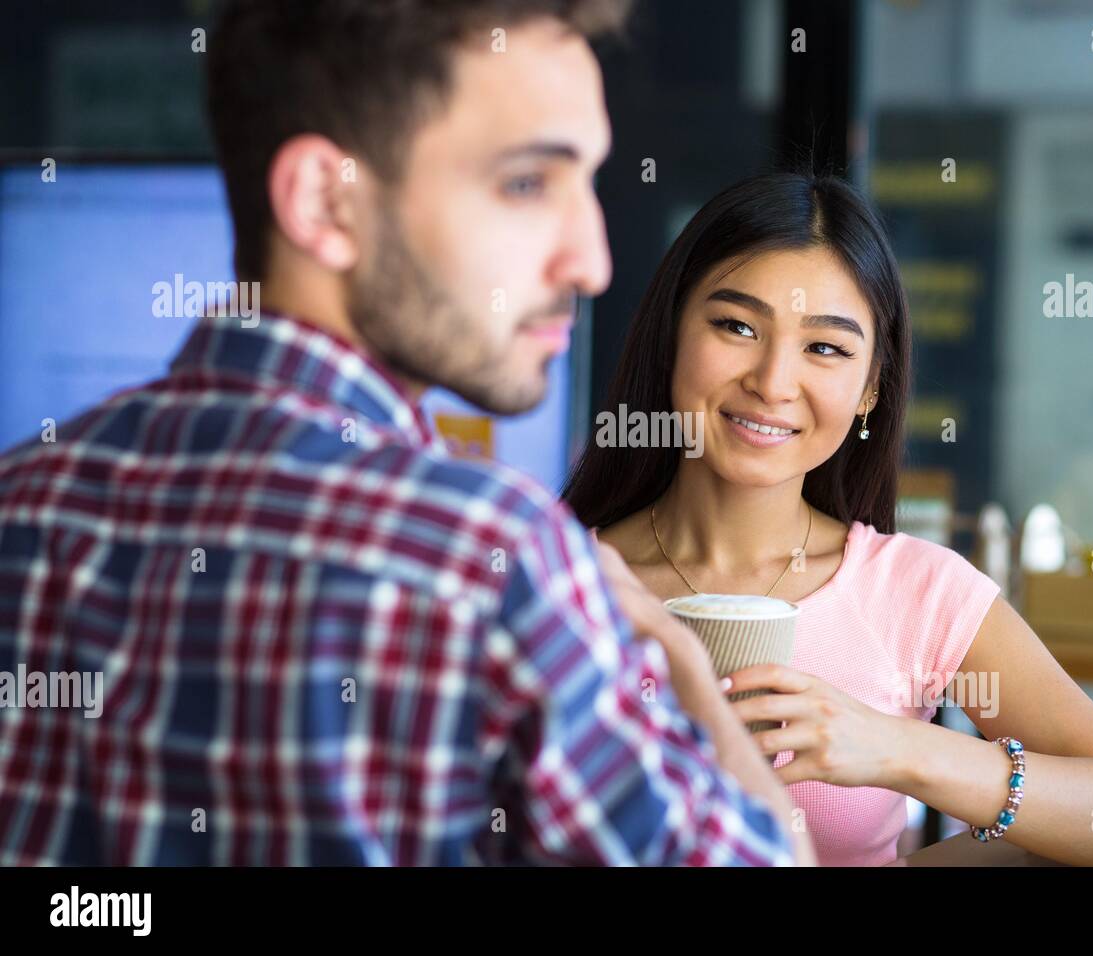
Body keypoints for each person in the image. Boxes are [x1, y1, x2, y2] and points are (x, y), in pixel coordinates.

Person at [0, 0, 815, 867]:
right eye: (527, 184)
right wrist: (684, 664)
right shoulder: (493, 556)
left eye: (588, 182)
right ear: (324, 202)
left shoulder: (21, 502)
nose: (592, 260)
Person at [564, 171, 1093, 866]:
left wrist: (892, 747)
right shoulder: (556, 578)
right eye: (737, 326)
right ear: (672, 335)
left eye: (825, 347)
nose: (773, 382)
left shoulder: (915, 592)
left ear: (870, 390)